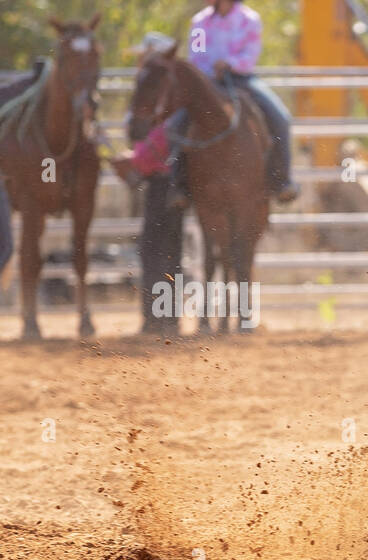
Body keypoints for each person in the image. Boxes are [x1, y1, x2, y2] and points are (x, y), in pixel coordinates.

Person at [171, 0, 298, 203]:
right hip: (207, 83)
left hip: (241, 79)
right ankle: (180, 185)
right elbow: (196, 56)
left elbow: (250, 55)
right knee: (175, 123)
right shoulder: (200, 22)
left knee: (280, 117)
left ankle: (281, 180)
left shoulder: (249, 20)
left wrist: (230, 64)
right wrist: (208, 74)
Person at [114, 32, 186, 332]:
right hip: (162, 177)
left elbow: (158, 139)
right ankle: (163, 317)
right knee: (164, 247)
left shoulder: (162, 91)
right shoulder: (159, 89)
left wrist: (134, 159)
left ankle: (158, 318)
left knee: (157, 246)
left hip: (162, 177)